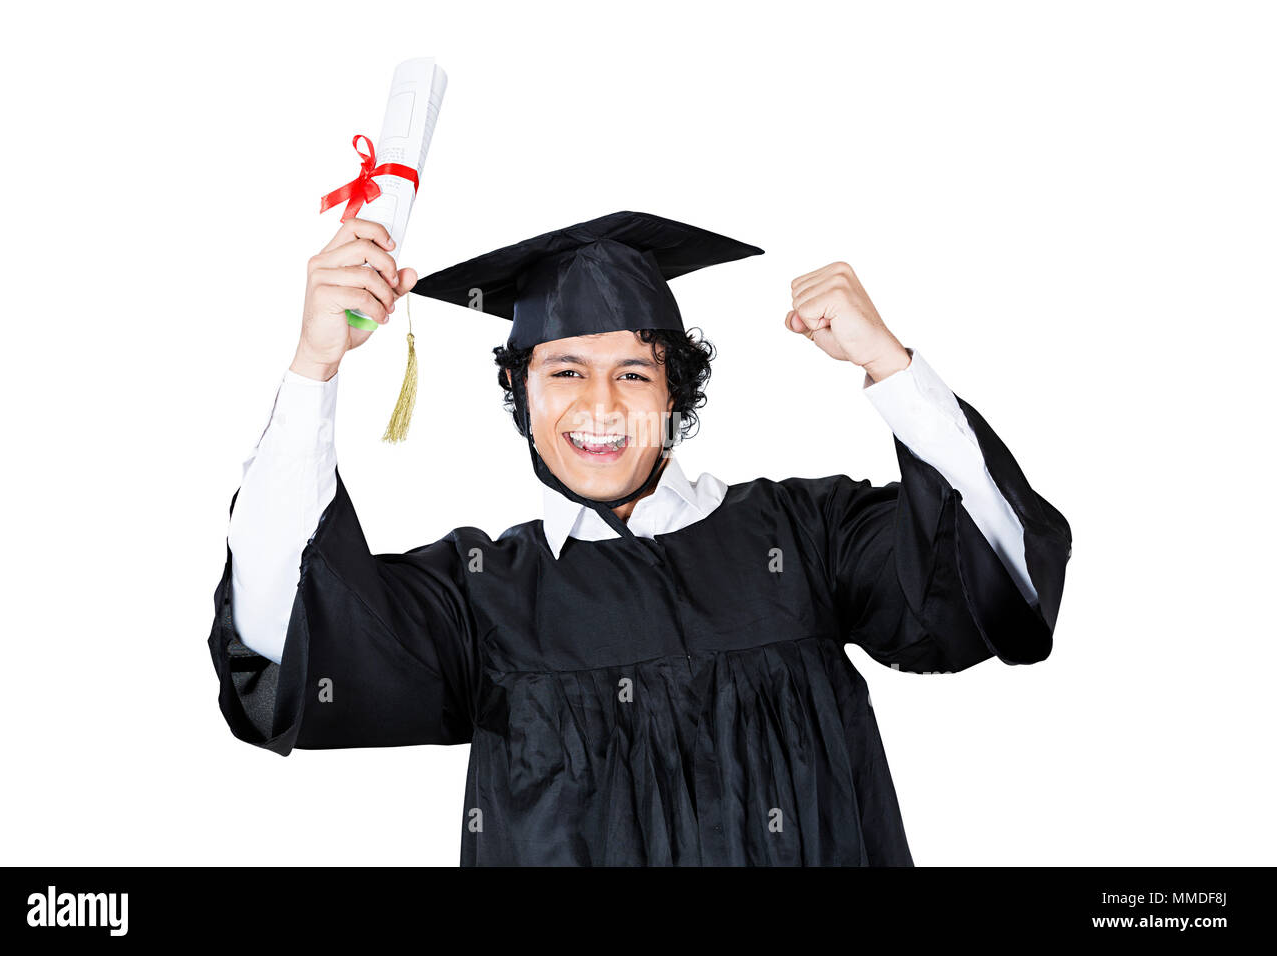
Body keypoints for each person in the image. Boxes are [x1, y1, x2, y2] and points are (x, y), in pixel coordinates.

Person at [208, 210, 1072, 866]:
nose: (600, 407)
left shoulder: (805, 539)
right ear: (521, 393)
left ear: (674, 390)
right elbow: (280, 636)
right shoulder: (481, 595)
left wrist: (891, 366)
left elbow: (998, 578)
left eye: (633, 372)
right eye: (564, 372)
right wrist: (313, 366)